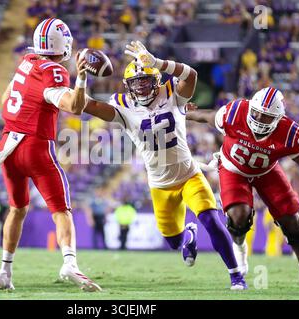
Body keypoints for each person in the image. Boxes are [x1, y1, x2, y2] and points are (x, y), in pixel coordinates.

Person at [84, 40, 247, 290]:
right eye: (135, 82)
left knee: (212, 221)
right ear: (128, 86)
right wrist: (78, 79)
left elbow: (191, 74)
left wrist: (158, 63)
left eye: (145, 80)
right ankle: (188, 235)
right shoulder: (123, 105)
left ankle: (237, 277)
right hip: (159, 185)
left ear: (156, 80)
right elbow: (89, 105)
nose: (140, 87)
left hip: (189, 174)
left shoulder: (171, 93)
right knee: (173, 241)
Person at [0, 18, 101, 292]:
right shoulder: (55, 70)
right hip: (35, 145)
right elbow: (73, 106)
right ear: (63, 45)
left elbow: (6, 99)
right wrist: (82, 78)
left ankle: (4, 271)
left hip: (7, 145)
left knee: (17, 208)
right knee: (61, 210)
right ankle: (70, 263)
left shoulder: (27, 60)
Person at [186, 87, 299, 283]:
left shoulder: (289, 132)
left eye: (266, 117)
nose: (258, 119)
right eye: (256, 113)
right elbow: (208, 116)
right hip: (232, 168)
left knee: (293, 222)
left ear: (278, 117)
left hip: (266, 171)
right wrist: (184, 113)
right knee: (238, 216)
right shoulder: (235, 113)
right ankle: (240, 250)